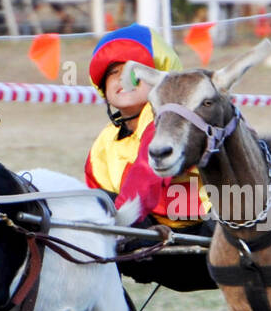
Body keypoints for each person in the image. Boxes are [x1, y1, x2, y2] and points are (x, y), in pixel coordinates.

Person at [84, 24, 215, 291]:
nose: (124, 80)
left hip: (206, 240)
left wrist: (117, 229)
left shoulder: (165, 123)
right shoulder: (104, 142)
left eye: (136, 72)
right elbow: (95, 197)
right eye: (113, 73)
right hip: (150, 241)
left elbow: (146, 177)